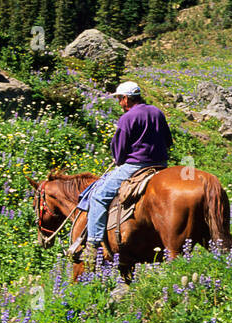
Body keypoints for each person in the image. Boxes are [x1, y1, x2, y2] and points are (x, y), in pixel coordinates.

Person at [71, 81, 172, 260]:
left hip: (136, 166)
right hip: (161, 165)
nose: (119, 103)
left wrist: (119, 159)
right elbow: (168, 141)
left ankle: (92, 245)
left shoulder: (127, 117)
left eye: (119, 99)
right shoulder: (157, 112)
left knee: (98, 196)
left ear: (126, 98)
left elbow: (119, 148)